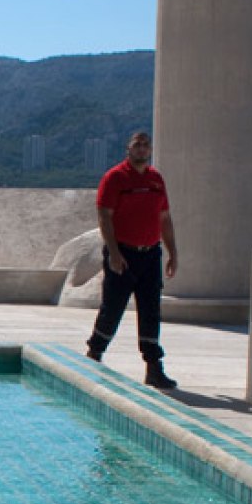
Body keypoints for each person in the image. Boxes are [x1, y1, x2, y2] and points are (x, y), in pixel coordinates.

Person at [85, 129, 180, 390]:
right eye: (137, 145)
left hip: (151, 255)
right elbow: (104, 216)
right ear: (128, 149)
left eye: (146, 145)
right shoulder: (115, 178)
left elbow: (165, 218)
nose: (141, 149)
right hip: (123, 254)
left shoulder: (156, 179)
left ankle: (153, 367)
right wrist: (114, 253)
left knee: (151, 310)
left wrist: (173, 252)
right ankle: (94, 355)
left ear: (150, 151)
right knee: (113, 307)